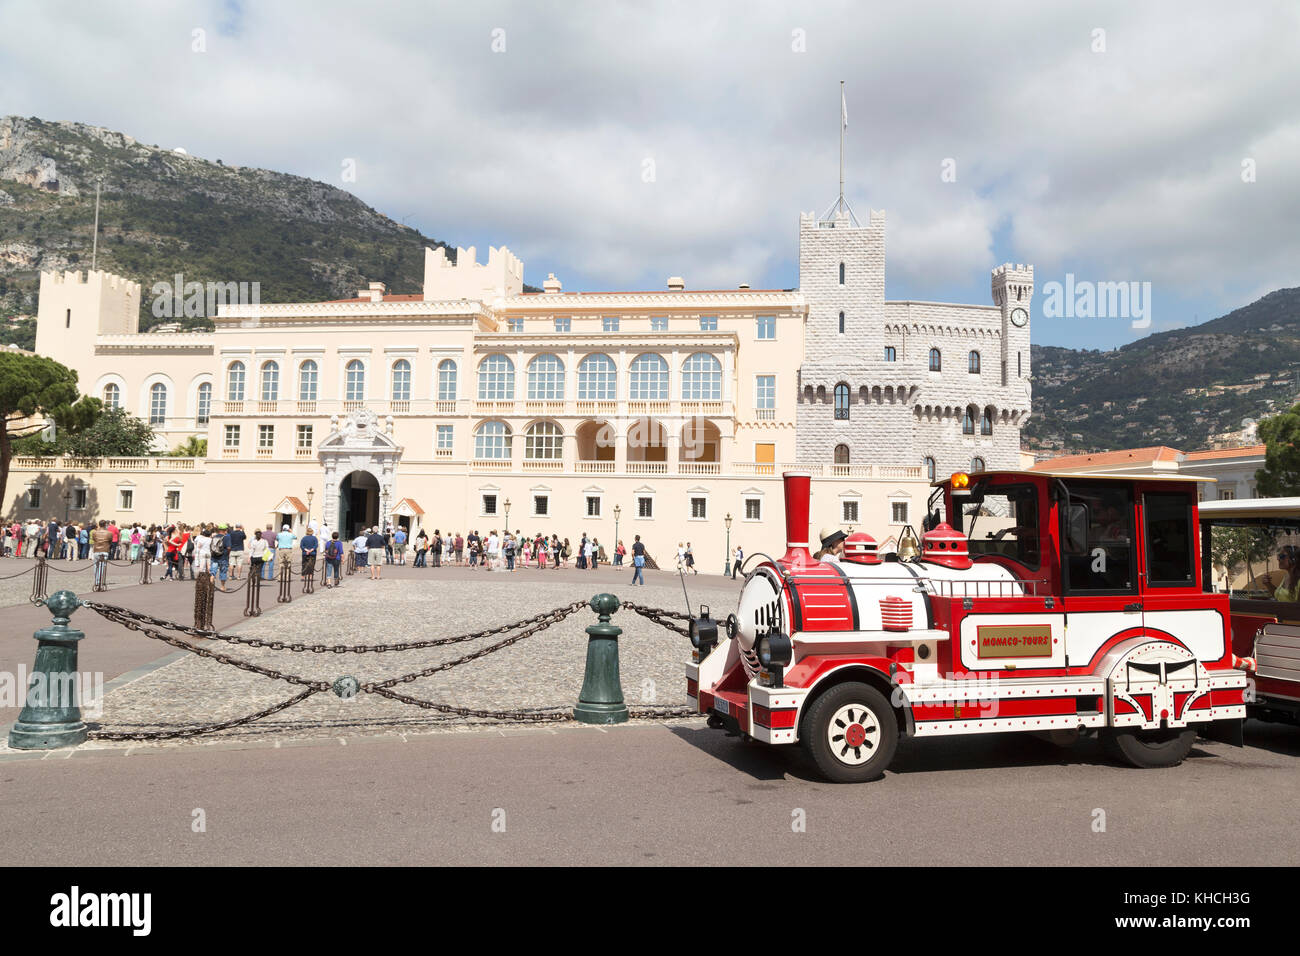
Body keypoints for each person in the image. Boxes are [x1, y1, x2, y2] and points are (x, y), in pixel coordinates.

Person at [90, 520, 112, 588]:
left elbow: (94, 540)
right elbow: (110, 541)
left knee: (96, 566)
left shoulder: (95, 532)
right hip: (105, 550)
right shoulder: (109, 533)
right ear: (105, 524)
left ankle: (96, 580)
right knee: (102, 567)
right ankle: (99, 581)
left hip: (96, 550)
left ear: (99, 525)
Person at [212, 524, 231, 591]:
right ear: (225, 530)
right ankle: (222, 587)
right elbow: (228, 547)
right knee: (223, 571)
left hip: (214, 557)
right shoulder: (226, 537)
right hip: (223, 557)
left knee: (213, 571)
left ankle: (211, 582)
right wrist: (228, 553)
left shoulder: (214, 537)